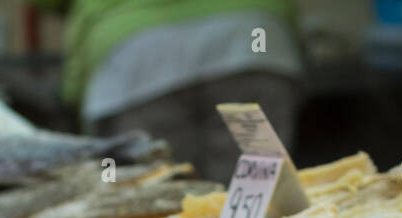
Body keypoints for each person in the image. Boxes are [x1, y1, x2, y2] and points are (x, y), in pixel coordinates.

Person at [43, 0, 304, 180]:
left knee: (161, 199)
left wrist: (74, 92)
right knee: (258, 191)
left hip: (138, 60)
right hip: (249, 39)